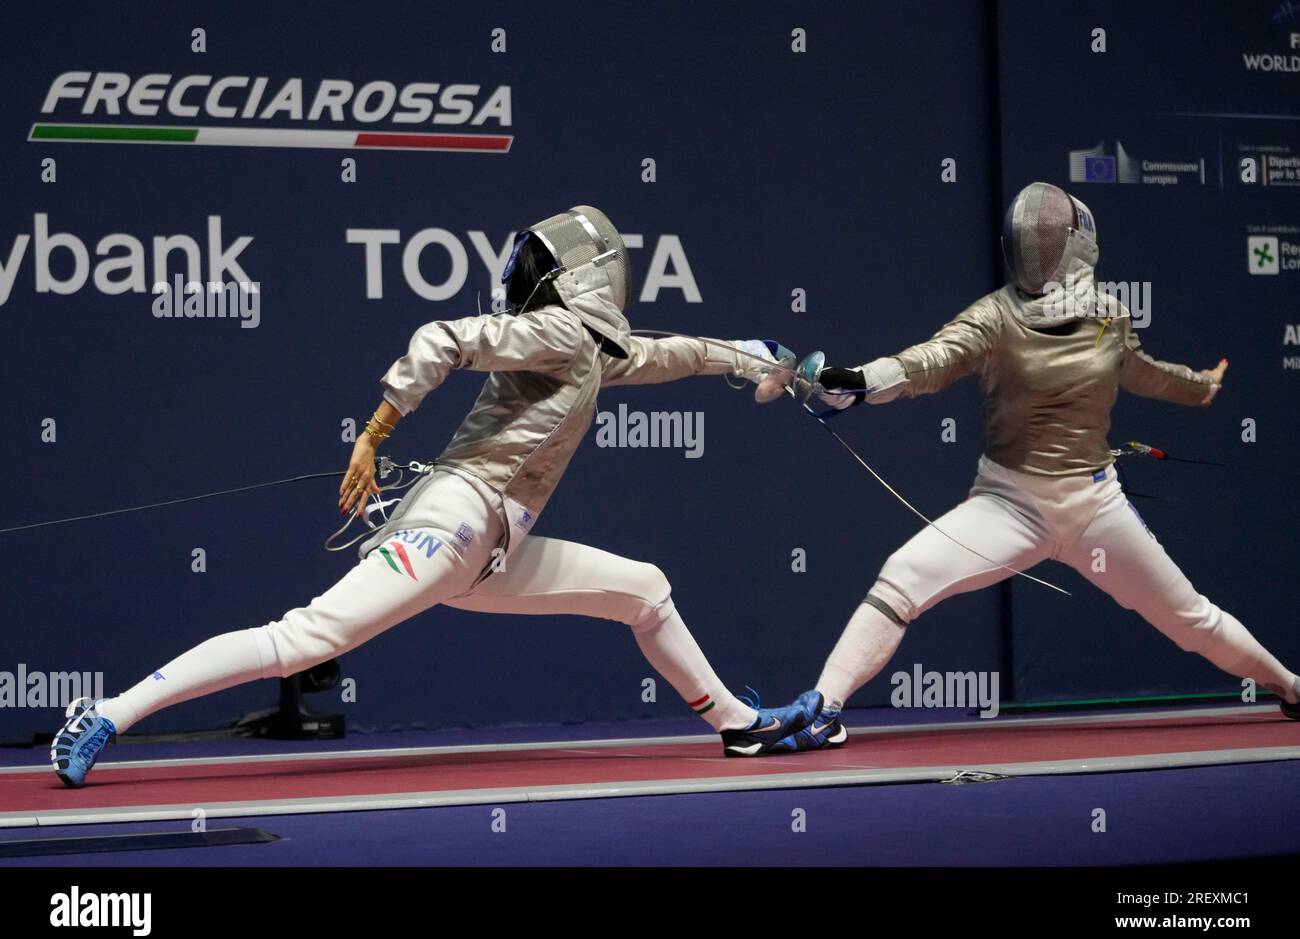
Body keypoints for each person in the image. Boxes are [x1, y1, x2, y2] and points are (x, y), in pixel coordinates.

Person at [51, 205, 821, 787]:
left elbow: (673, 354)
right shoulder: (560, 334)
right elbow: (444, 340)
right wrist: (373, 432)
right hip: (453, 522)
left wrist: (756, 359)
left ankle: (740, 726)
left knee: (644, 590)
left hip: (491, 551)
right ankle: (109, 714)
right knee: (308, 639)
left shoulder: (593, 349)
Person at [769, 182, 1300, 753]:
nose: (1039, 251)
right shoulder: (995, 317)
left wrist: (1201, 388)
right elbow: (930, 359)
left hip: (1097, 509)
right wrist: (863, 380)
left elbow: (1145, 372)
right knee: (902, 577)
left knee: (1191, 619)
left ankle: (1291, 686)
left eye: (1046, 241)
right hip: (1009, 505)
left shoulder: (1108, 317)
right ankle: (823, 709)